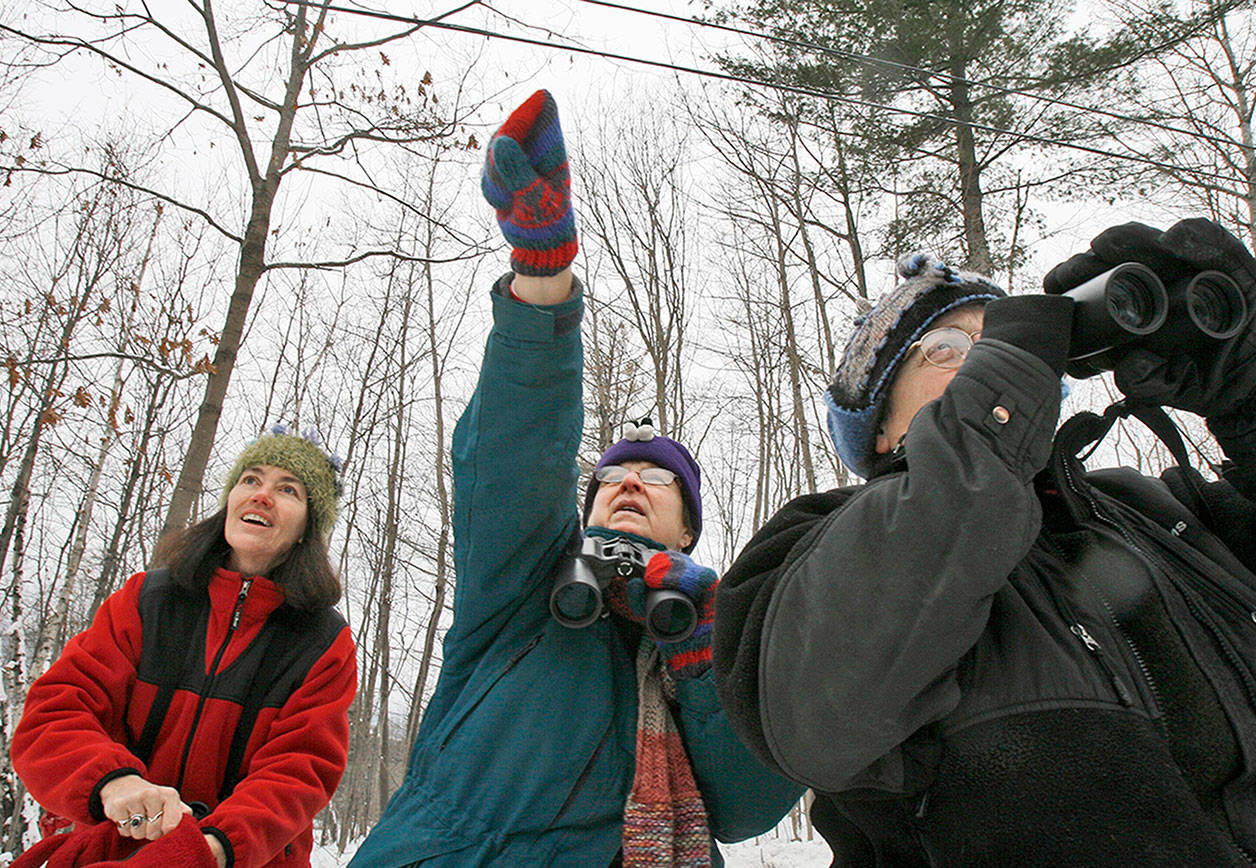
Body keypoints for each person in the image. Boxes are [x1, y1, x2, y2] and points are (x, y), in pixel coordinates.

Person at [712, 221, 1256, 866]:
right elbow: (815, 722)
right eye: (944, 349)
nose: (983, 361)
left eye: (998, 341)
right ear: (877, 428)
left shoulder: (1161, 510)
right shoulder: (813, 543)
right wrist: (993, 409)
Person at [350, 89, 802, 867]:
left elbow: (748, 809)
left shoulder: (726, 622)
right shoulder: (522, 582)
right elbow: (512, 463)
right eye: (612, 474)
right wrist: (543, 274)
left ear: (689, 527)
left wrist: (700, 652)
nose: (628, 481)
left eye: (654, 479)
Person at [12, 429, 358, 868]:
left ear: (309, 525)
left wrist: (210, 848)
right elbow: (55, 712)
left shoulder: (324, 644)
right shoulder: (146, 600)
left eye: (287, 489)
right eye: (250, 480)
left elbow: (297, 771)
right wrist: (114, 783)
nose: (262, 496)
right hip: (113, 849)